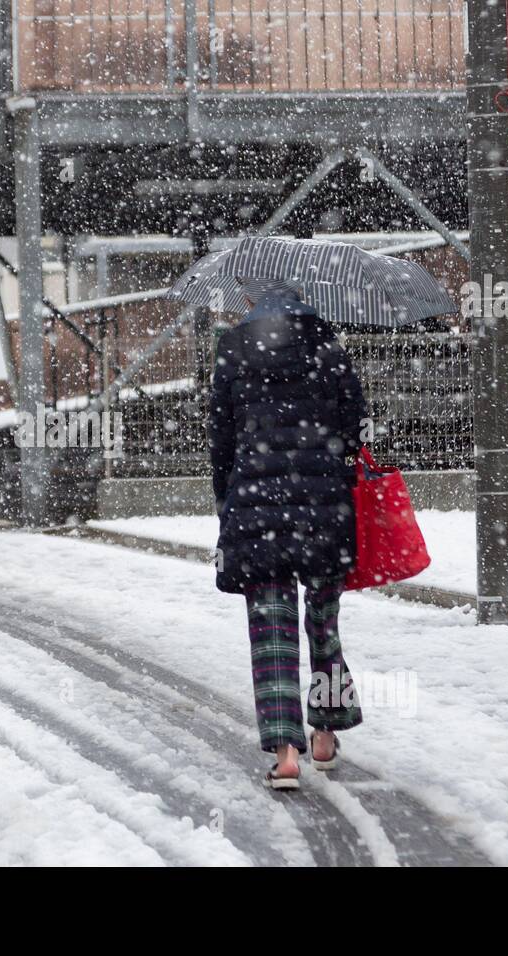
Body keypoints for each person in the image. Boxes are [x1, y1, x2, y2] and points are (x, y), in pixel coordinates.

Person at [208, 279, 368, 791]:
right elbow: (354, 427)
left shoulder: (234, 348)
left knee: (271, 636)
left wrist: (227, 498)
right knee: (323, 625)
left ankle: (285, 756)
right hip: (324, 509)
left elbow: (222, 437)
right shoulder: (328, 345)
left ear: (251, 298)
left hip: (258, 512)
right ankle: (324, 733)